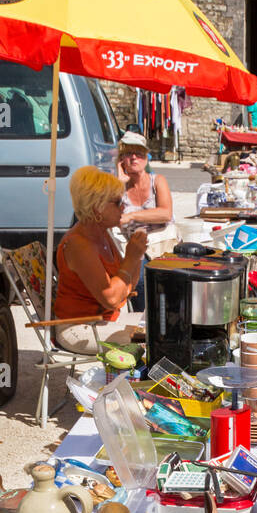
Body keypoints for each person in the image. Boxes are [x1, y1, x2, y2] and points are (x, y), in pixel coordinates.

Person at [54, 166, 146, 355]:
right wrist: (131, 257)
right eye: (118, 202)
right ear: (97, 207)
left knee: (164, 326)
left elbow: (128, 284)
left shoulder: (102, 234)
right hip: (79, 329)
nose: (124, 207)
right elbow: (111, 298)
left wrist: (136, 257)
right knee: (156, 339)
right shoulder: (79, 244)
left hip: (103, 321)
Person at [115, 131, 175, 310]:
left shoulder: (158, 181)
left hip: (162, 243)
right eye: (128, 153)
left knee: (168, 280)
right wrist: (118, 184)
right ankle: (143, 323)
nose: (134, 157)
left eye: (139, 152)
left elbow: (165, 213)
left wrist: (132, 215)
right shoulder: (119, 186)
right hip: (134, 246)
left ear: (146, 157)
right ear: (121, 160)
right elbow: (111, 219)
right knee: (139, 282)